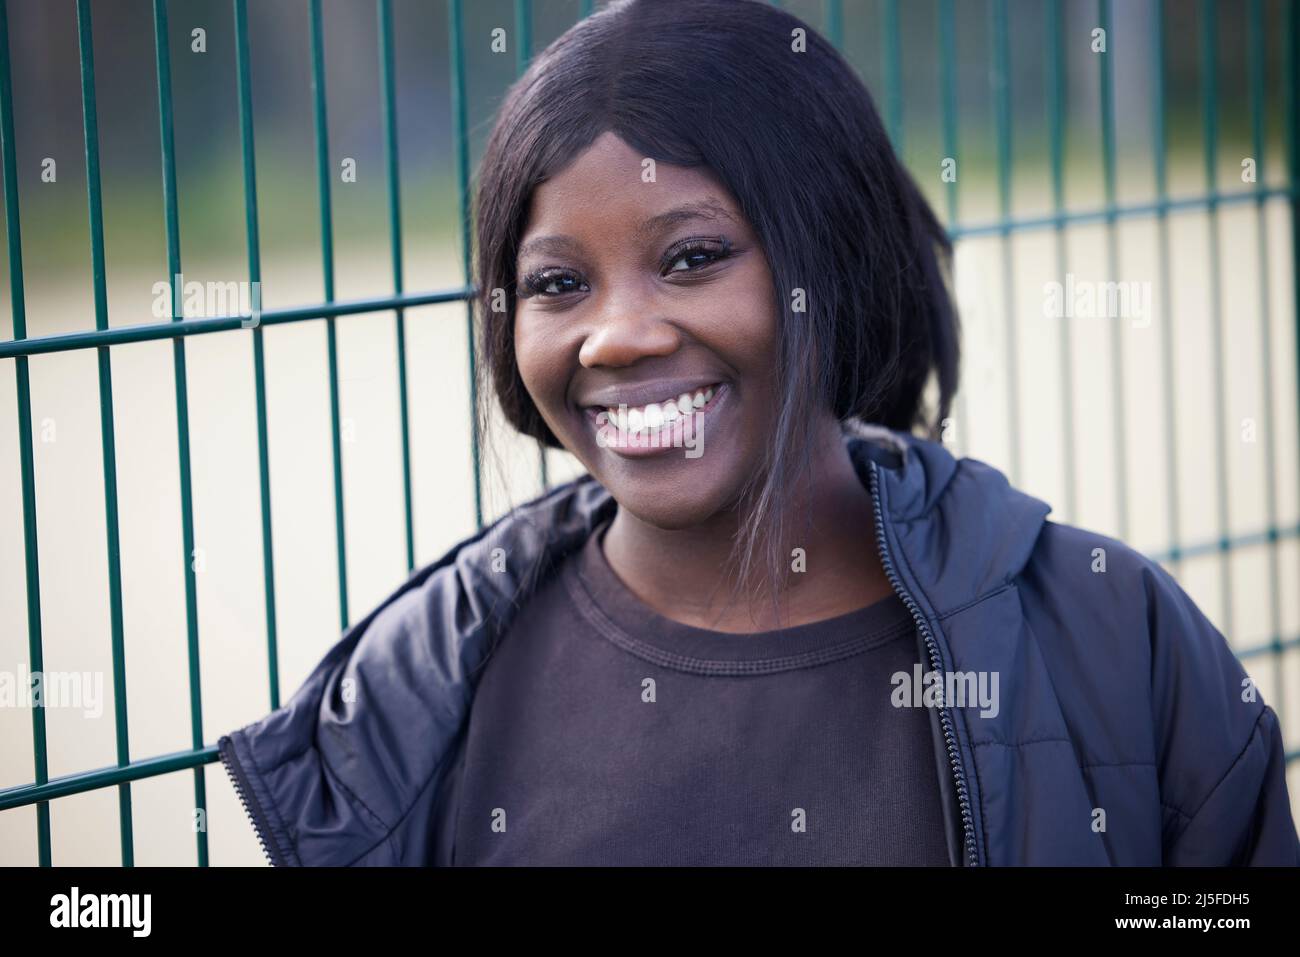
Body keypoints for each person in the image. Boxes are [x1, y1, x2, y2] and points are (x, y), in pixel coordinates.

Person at [218, 0, 1299, 866]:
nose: (617, 337)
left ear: (831, 261)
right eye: (557, 283)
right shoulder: (420, 694)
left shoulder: (1115, 639)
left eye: (692, 258)